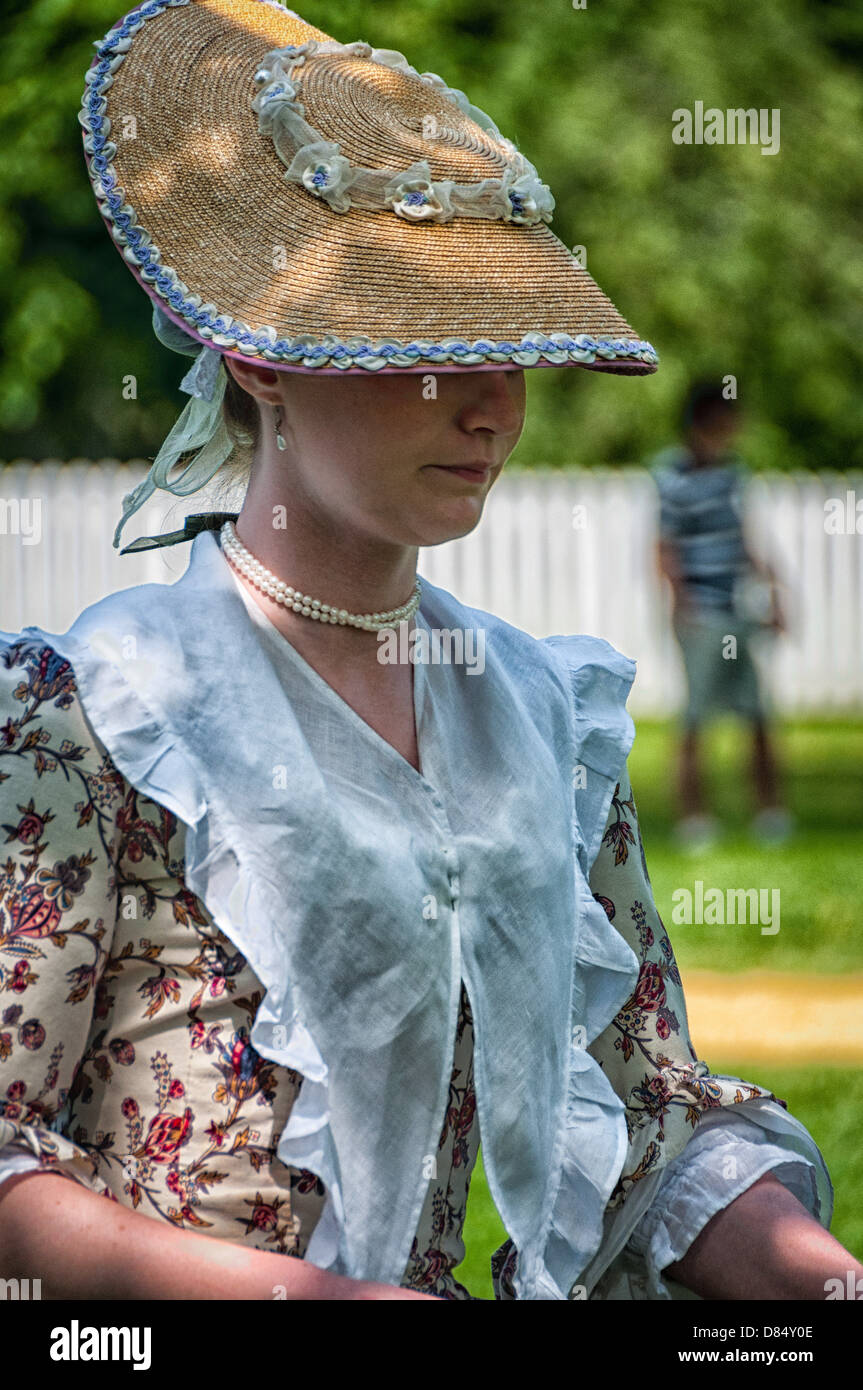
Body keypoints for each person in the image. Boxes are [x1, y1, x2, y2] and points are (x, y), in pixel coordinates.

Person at [0, 0, 857, 1302]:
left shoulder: (536, 712)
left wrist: (824, 1281)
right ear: (256, 357)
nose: (490, 403)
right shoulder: (98, 712)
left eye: (509, 346)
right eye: (423, 346)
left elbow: (647, 1118)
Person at [652, 381, 793, 850]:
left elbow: (746, 541)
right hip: (702, 614)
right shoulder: (672, 475)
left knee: (757, 714)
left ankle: (769, 812)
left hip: (736, 608)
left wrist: (776, 591)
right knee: (695, 717)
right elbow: (664, 548)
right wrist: (681, 605)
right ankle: (694, 818)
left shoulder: (733, 474)